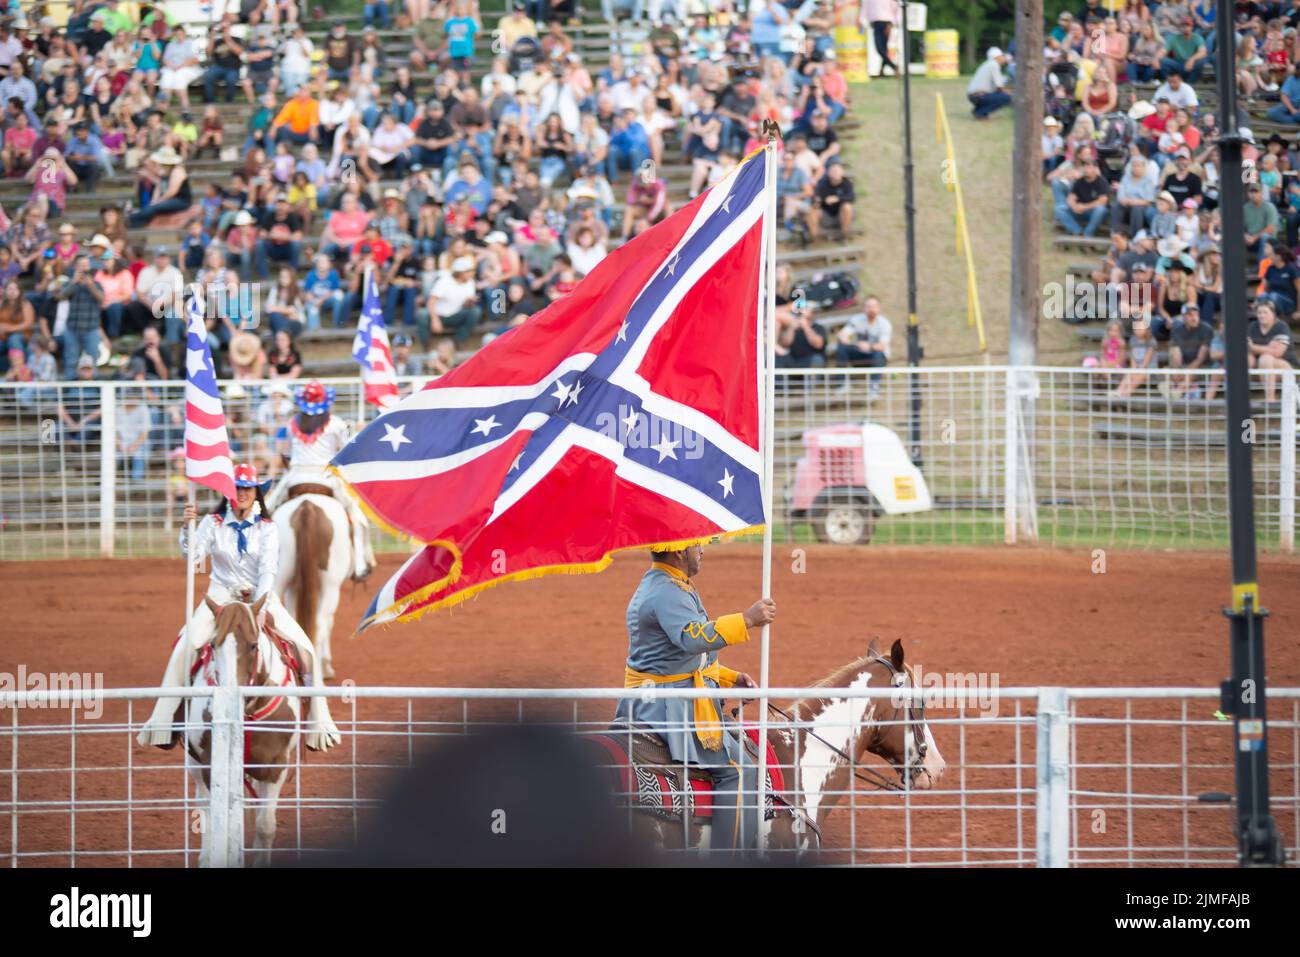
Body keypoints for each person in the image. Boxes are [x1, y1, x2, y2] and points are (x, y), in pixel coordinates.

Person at [136, 463, 341, 752]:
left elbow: (269, 569)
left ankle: (319, 723)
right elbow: (193, 556)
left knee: (305, 648)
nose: (242, 493)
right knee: (185, 645)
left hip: (259, 598)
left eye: (247, 488)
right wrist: (187, 528)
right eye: (238, 488)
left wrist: (260, 606)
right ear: (229, 493)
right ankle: (164, 722)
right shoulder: (212, 523)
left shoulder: (267, 529)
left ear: (256, 492)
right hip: (218, 599)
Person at [612, 542, 776, 854]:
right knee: (741, 772)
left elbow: (677, 659)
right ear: (678, 551)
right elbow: (692, 638)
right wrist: (747, 619)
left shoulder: (664, 583)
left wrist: (728, 678)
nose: (702, 550)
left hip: (653, 697)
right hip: (667, 706)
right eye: (697, 545)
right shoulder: (668, 592)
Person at [264, 382, 376, 579]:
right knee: (357, 516)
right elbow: (349, 450)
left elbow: (286, 454)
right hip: (326, 477)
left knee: (265, 512)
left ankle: (258, 557)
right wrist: (359, 432)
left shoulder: (292, 424)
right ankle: (359, 563)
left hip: (295, 477)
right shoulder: (336, 423)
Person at [967, 47, 1011, 120]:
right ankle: (980, 113)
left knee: (1001, 95)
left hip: (974, 96)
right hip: (979, 96)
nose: (1004, 57)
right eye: (1002, 56)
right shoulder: (994, 65)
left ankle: (977, 110)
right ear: (997, 57)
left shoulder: (988, 64)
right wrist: (1009, 94)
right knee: (1006, 97)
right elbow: (999, 86)